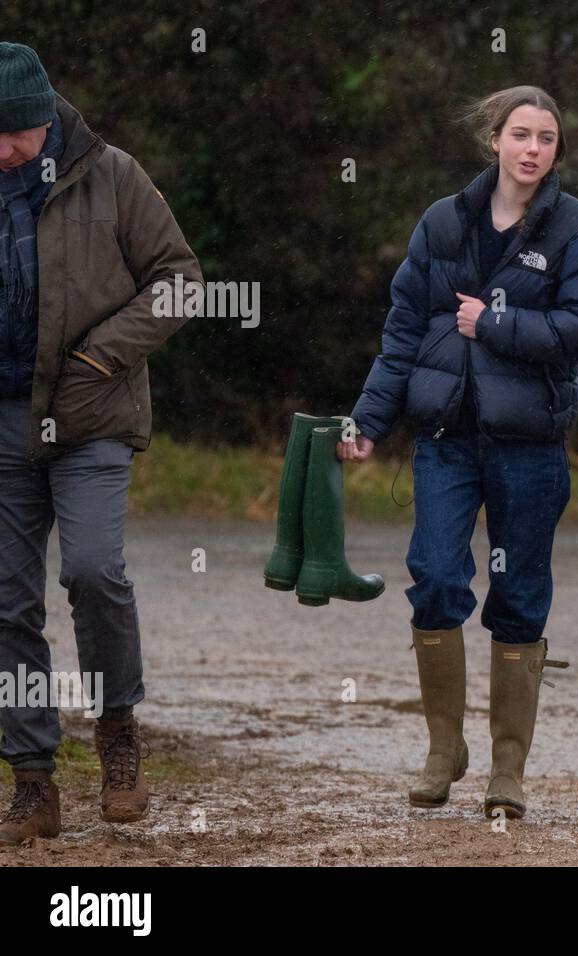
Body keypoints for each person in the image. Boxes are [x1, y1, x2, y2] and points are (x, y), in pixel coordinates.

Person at [342, 86, 578, 819]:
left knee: (520, 595)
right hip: (445, 439)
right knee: (433, 577)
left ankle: (507, 768)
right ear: (493, 140)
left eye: (547, 138)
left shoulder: (574, 227)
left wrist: (495, 322)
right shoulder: (443, 222)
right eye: (520, 134)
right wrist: (370, 418)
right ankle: (443, 749)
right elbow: (403, 330)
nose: (533, 149)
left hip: (529, 443)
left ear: (558, 150)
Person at [0, 43, 204, 844]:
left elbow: (182, 279)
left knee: (92, 570)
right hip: (5, 422)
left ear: (40, 120)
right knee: (7, 604)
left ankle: (117, 732)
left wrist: (99, 354)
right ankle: (31, 780)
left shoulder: (113, 174)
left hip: (90, 415)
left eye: (8, 136)